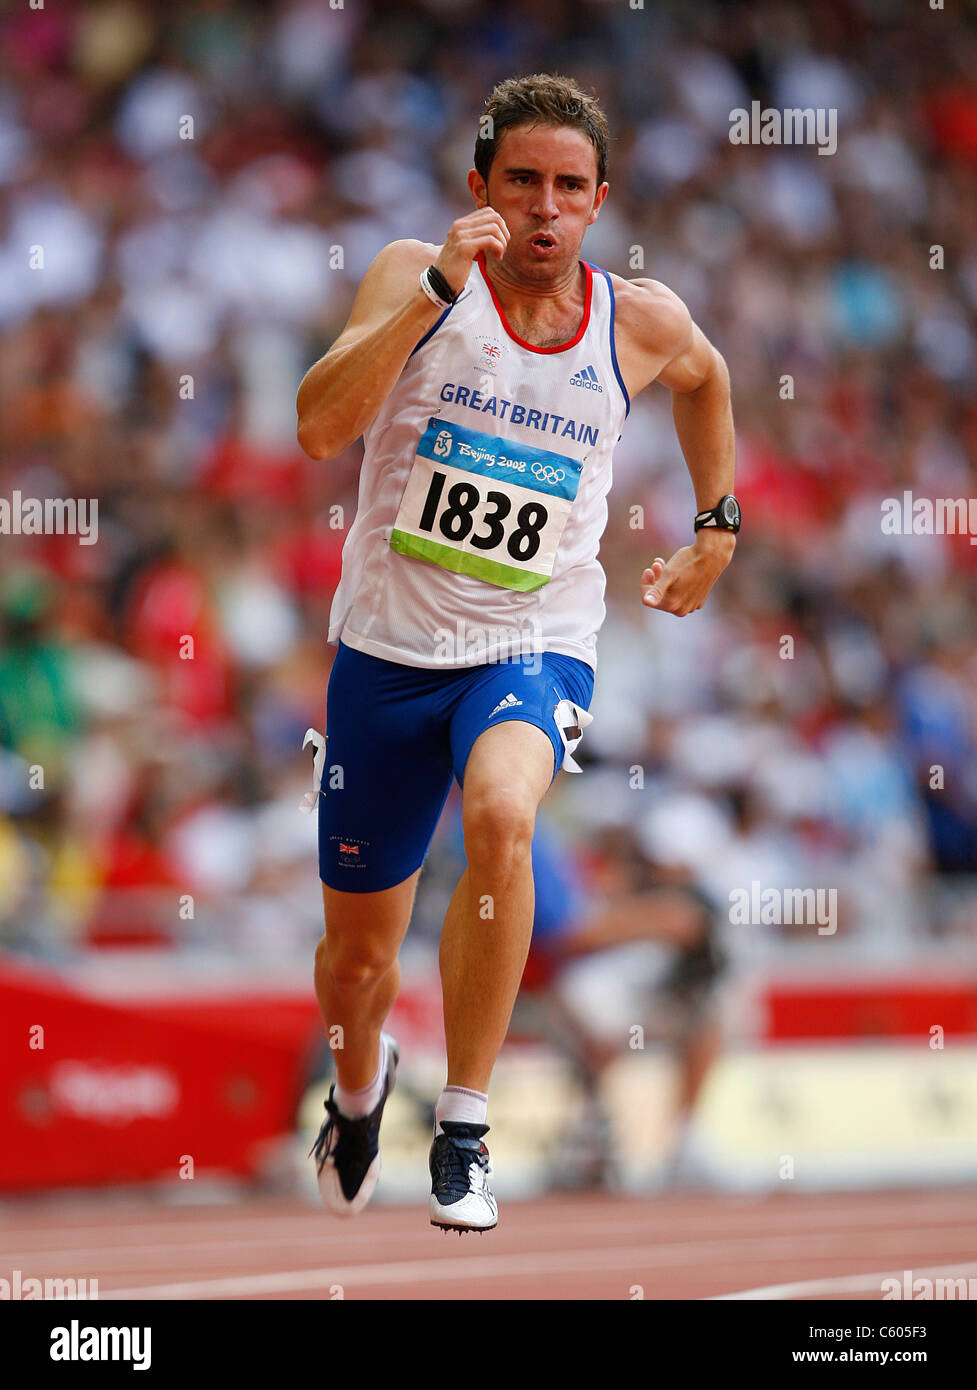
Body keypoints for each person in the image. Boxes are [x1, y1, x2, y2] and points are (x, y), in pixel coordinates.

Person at [296, 72, 738, 1233]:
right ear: (479, 187)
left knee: (502, 814)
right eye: (524, 182)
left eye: (570, 188)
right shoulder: (413, 275)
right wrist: (433, 294)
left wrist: (715, 526)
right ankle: (357, 1088)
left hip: (531, 641)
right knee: (353, 963)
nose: (545, 208)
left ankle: (466, 1125)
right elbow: (317, 423)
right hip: (387, 653)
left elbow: (705, 378)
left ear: (600, 201)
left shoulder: (635, 319)